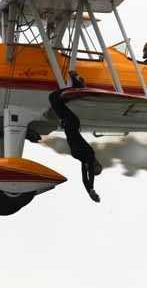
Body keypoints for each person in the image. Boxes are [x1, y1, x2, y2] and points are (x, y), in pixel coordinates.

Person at [48, 70, 102, 202]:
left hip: (68, 123)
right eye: (97, 167)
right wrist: (91, 189)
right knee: (53, 98)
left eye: (95, 169)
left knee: (54, 99)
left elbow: (84, 178)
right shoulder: (89, 157)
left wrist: (89, 190)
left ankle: (76, 86)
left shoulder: (84, 161)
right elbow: (88, 178)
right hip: (71, 122)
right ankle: (77, 86)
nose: (94, 167)